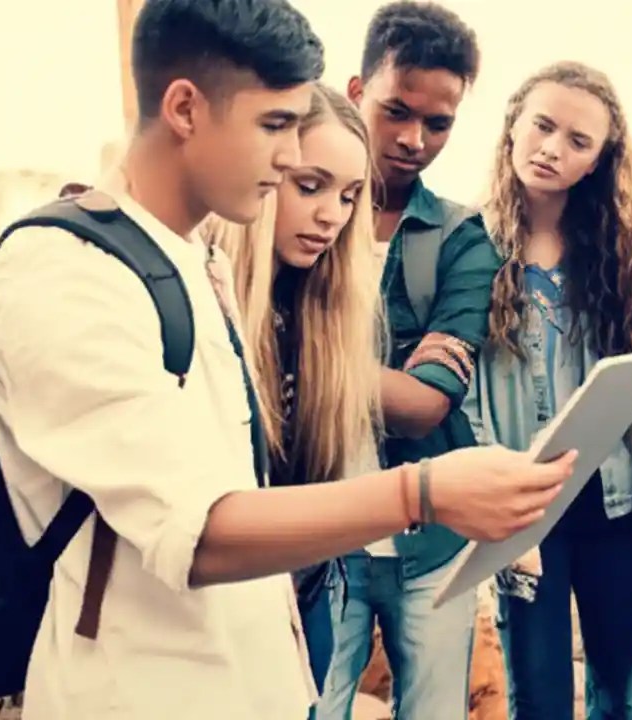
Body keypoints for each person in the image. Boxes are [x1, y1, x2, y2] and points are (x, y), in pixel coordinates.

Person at [0, 2, 572, 718]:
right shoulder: (68, 268)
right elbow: (196, 531)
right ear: (186, 108)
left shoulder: (196, 266)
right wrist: (424, 493)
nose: (290, 159)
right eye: (275, 127)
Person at [461, 61, 632, 720]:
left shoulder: (630, 250)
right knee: (539, 695)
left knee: (621, 692)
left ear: (600, 160)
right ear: (514, 125)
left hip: (617, 506)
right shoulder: (465, 243)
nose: (552, 148)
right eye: (543, 126)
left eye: (578, 141)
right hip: (520, 510)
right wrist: (489, 484)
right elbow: (458, 381)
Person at [320, 3, 499, 718]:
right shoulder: (291, 216)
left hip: (431, 548)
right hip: (316, 532)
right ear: (358, 90)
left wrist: (306, 362)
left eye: (439, 123)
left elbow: (429, 402)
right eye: (396, 110)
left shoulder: (461, 238)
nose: (413, 138)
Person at [204, 82, 382, 704]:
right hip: (215, 619)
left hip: (309, 598)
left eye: (350, 197)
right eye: (311, 186)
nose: (333, 214)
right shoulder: (202, 305)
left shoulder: (326, 311)